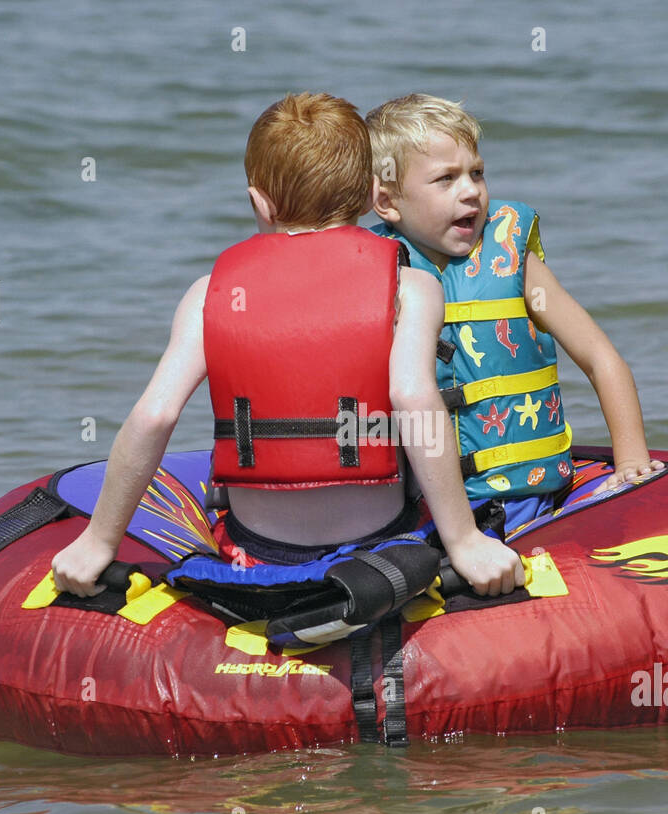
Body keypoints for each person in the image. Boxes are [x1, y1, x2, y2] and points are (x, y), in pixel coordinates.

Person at [51, 92, 524, 599]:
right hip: (382, 540)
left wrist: (98, 540)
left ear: (260, 202)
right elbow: (414, 401)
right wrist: (464, 540)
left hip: (257, 549)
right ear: (370, 196)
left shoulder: (207, 294)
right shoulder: (410, 288)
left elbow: (154, 417)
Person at [365, 93, 663, 509]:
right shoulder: (372, 271)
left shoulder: (509, 258)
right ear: (387, 202)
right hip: (430, 504)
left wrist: (631, 460)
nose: (471, 191)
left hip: (531, 492)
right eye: (446, 179)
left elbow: (600, 357)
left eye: (477, 173)